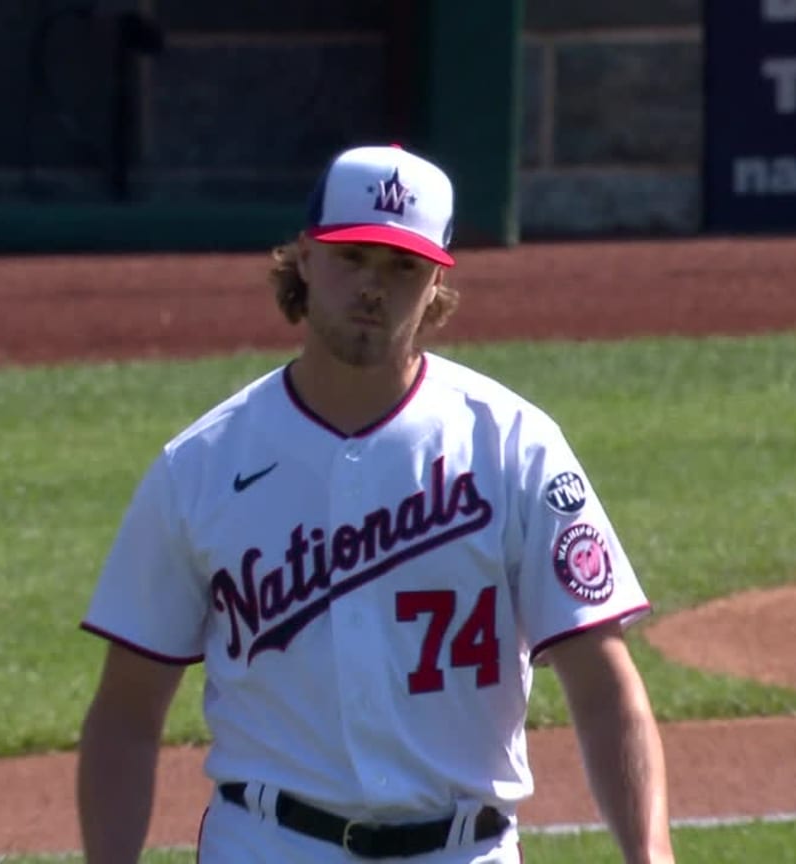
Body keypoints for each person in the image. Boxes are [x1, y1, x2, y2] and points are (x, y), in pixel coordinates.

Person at [75, 143, 675, 863]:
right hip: (270, 845)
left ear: (436, 284)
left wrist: (651, 856)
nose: (372, 287)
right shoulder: (203, 464)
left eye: (402, 267)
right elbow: (128, 712)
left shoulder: (514, 445)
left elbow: (604, 686)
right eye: (352, 257)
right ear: (303, 256)